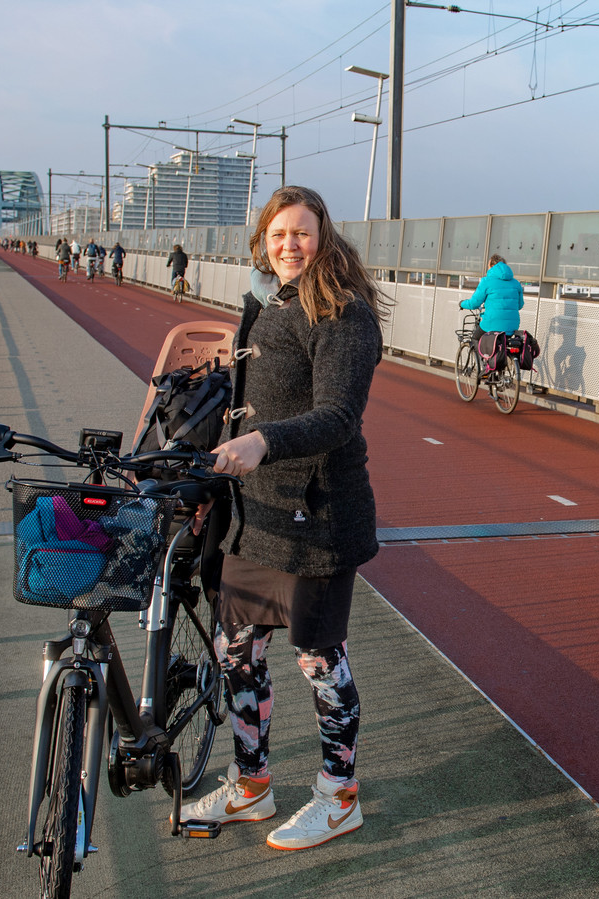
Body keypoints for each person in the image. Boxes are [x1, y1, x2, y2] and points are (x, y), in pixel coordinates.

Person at [178, 185, 385, 852]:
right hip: (258, 513)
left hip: (321, 512)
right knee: (236, 648)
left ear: (323, 236)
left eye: (301, 231)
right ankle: (250, 784)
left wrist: (262, 440)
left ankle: (338, 795)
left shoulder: (344, 313)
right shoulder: (275, 300)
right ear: (262, 241)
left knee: (318, 658)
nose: (289, 243)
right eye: (278, 233)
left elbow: (337, 416)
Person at [460, 254, 524, 343]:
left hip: (491, 325)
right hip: (512, 326)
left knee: (475, 339)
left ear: (492, 266)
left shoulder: (486, 281)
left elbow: (474, 303)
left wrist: (462, 304)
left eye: (488, 266)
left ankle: (480, 356)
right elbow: (520, 305)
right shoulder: (516, 283)